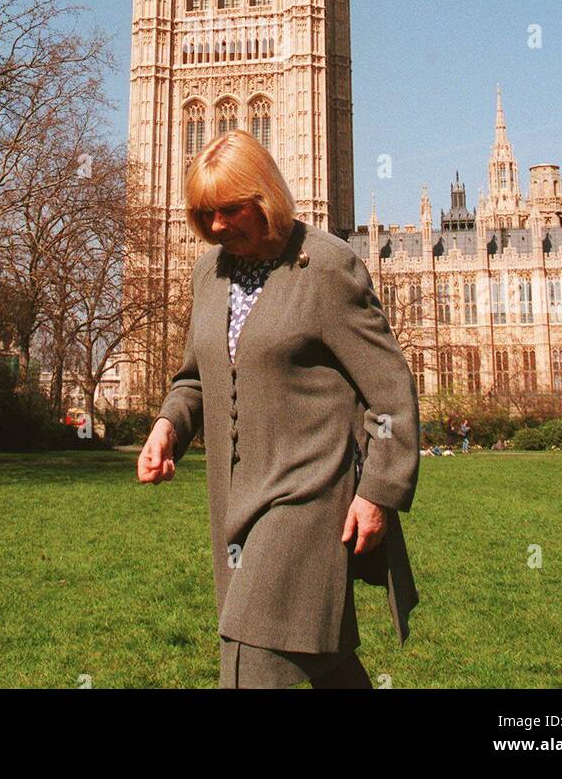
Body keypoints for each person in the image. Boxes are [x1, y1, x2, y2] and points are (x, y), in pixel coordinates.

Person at [137, 129, 420, 690]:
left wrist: (378, 494)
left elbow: (390, 393)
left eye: (229, 210)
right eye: (205, 213)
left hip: (311, 498)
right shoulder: (209, 274)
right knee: (324, 659)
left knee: (250, 660)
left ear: (265, 198)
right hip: (237, 501)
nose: (216, 226)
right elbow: (196, 377)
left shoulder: (325, 268)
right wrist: (168, 425)